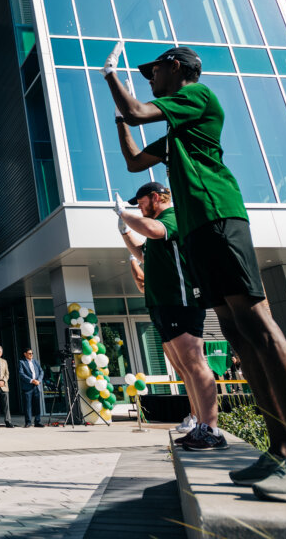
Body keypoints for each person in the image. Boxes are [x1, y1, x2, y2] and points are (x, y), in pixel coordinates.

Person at [106, 45, 286, 501]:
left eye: (153, 71)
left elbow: (136, 111)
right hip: (197, 231)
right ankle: (279, 452)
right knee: (235, 332)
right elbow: (135, 161)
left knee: (257, 325)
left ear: (176, 67)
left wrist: (111, 76)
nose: (150, 79)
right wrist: (119, 121)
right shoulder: (177, 131)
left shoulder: (198, 97)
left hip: (219, 217)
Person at [118, 181, 220, 448]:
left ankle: (211, 429)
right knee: (183, 368)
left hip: (180, 300)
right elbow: (143, 254)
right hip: (162, 304)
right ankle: (199, 423)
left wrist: (123, 214)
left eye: (140, 203)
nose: (138, 209)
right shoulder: (155, 229)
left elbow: (152, 230)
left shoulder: (172, 216)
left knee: (194, 363)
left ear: (155, 198)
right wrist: (125, 232)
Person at [17, 349, 44, 428]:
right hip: (28, 386)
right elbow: (21, 374)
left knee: (37, 405)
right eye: (29, 353)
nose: (31, 355)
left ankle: (37, 422)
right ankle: (28, 422)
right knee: (28, 406)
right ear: (25, 354)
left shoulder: (35, 361)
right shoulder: (22, 362)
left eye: (32, 353)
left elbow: (41, 371)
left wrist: (38, 380)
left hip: (36, 386)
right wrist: (32, 380)